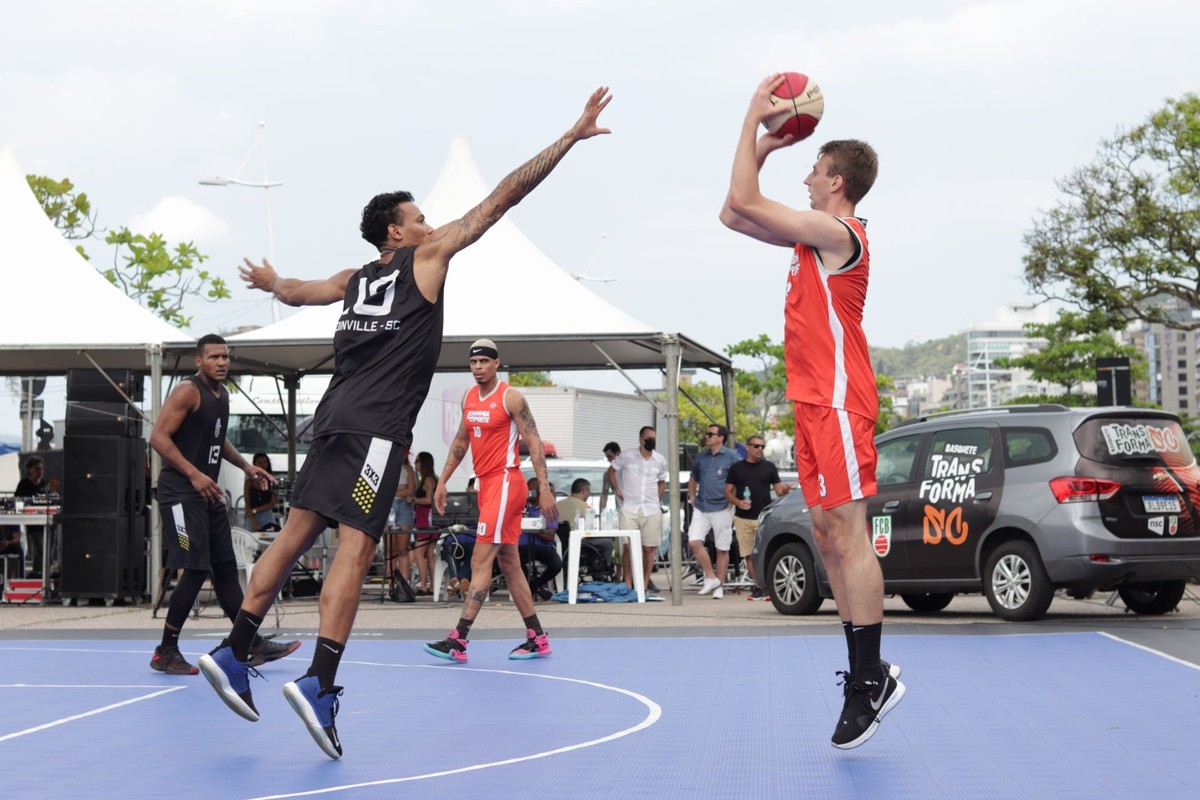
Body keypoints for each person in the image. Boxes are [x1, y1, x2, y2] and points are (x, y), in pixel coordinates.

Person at [199, 86, 612, 760]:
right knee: (358, 549)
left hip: (332, 425)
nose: (431, 222)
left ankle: (235, 647)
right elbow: (503, 196)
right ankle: (320, 683)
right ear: (398, 230)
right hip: (374, 434)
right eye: (420, 216)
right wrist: (569, 137)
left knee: (298, 534)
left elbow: (301, 292)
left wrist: (275, 283)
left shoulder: (356, 276)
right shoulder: (427, 259)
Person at [720, 73, 903, 749]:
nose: (806, 177)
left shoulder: (838, 232)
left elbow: (743, 197)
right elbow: (732, 212)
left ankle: (868, 680)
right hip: (810, 405)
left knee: (848, 535)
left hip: (839, 402)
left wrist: (752, 123)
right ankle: (867, 670)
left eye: (813, 168)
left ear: (836, 180)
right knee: (827, 534)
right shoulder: (809, 241)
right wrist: (762, 151)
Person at [150, 334, 300, 676]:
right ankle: (165, 650)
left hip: (207, 493)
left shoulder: (222, 395)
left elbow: (218, 438)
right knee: (195, 568)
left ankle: (248, 642)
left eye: (226, 357)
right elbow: (158, 437)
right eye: (214, 356)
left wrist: (246, 466)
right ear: (198, 361)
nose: (222, 362)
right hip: (180, 494)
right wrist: (194, 474)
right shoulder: (188, 391)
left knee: (226, 569)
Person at [423, 339, 560, 663]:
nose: (478, 368)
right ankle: (537, 637)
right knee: (510, 564)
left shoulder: (510, 397)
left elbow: (534, 442)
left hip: (505, 481)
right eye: (473, 363)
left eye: (484, 361)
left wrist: (543, 487)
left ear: (496, 364)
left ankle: (459, 639)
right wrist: (442, 481)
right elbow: (460, 440)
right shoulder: (469, 398)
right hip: (486, 486)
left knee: (480, 561)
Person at [725, 434, 791, 598]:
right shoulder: (737, 468)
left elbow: (778, 491)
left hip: (764, 516)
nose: (759, 449)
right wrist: (738, 502)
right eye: (756, 446)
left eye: (762, 446)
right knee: (749, 554)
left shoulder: (769, 467)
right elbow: (727, 492)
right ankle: (759, 586)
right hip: (742, 518)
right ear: (748, 447)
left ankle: (768, 586)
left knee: (764, 551)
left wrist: (785, 490)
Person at [610, 425, 666, 593]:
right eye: (649, 439)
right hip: (630, 507)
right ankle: (628, 584)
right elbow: (611, 471)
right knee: (628, 547)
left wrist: (657, 498)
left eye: (654, 439)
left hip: (650, 508)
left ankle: (643, 583)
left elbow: (662, 480)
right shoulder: (627, 456)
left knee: (649, 548)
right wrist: (617, 490)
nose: (652, 442)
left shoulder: (660, 459)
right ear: (641, 440)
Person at [688, 424, 738, 599]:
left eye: (710, 434)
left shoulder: (732, 457)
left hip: (723, 507)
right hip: (702, 506)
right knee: (694, 542)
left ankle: (720, 586)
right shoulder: (701, 457)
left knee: (721, 548)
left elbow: (742, 476)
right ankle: (711, 577)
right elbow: (693, 477)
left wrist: (734, 499)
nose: (707, 436)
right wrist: (692, 496)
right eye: (707, 433)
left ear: (721, 438)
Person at [557, 477, 614, 580]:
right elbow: (593, 529)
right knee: (608, 542)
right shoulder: (585, 507)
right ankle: (602, 570)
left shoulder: (557, 505)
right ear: (584, 491)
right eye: (588, 491)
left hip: (560, 545)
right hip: (581, 544)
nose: (588, 494)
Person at [519, 477, 564, 601]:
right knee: (512, 559)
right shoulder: (519, 507)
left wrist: (532, 527)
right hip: (521, 546)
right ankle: (533, 587)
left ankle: (535, 585)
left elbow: (550, 535)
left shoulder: (550, 510)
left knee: (556, 564)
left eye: (531, 490)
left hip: (543, 547)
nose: (529, 493)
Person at [387, 453, 417, 597]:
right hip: (389, 506)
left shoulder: (408, 469)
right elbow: (385, 489)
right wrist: (402, 489)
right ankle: (391, 585)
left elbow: (411, 490)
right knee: (390, 550)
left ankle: (404, 586)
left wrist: (395, 491)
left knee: (403, 549)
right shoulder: (387, 466)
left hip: (404, 506)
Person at [410, 451, 439, 596]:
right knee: (429, 555)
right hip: (429, 521)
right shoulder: (428, 478)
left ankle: (423, 585)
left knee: (418, 554)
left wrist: (414, 500)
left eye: (417, 461)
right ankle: (433, 586)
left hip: (426, 521)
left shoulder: (428, 480)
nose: (415, 464)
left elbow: (429, 500)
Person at [14, 455, 47, 577]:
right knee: (41, 550)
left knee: (47, 550)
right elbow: (17, 502)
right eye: (37, 469)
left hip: (46, 520)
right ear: (29, 470)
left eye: (42, 469)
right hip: (33, 522)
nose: (40, 472)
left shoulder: (44, 483)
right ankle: (37, 573)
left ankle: (43, 573)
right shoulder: (23, 484)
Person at [243, 453, 280, 533]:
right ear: (255, 464)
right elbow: (247, 502)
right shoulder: (249, 481)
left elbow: (272, 503)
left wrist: (255, 510)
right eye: (260, 462)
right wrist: (254, 521)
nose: (263, 465)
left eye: (265, 462)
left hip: (267, 515)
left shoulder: (272, 480)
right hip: (252, 516)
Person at [598, 441, 620, 515]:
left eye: (610, 456)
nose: (608, 460)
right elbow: (604, 494)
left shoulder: (630, 469)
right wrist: (602, 514)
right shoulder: (608, 473)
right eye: (607, 457)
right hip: (621, 511)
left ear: (618, 454)